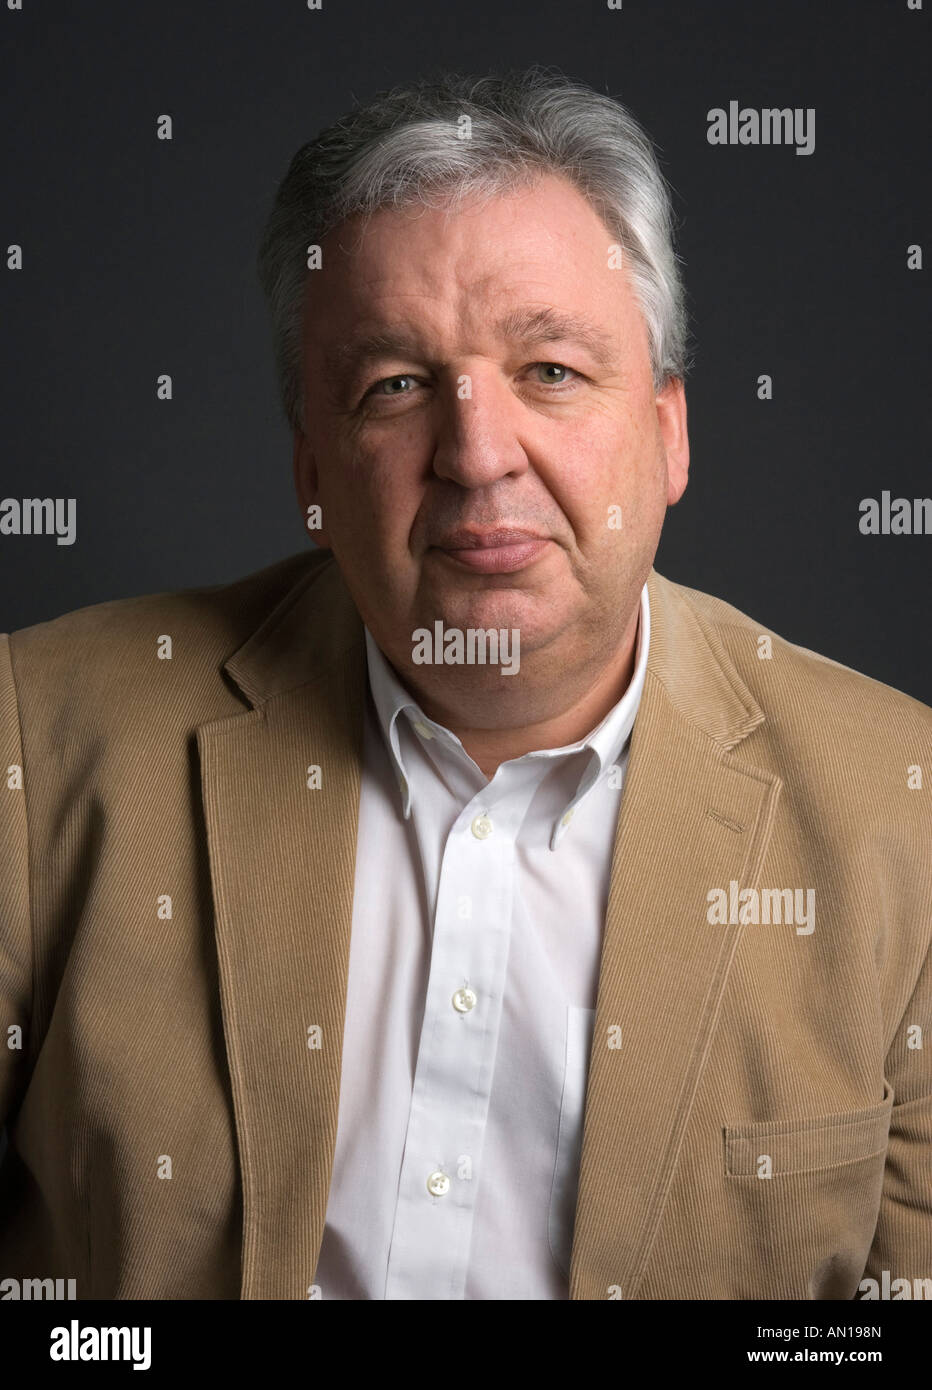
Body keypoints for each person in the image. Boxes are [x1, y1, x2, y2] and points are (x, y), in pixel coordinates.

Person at [1, 67, 929, 1301]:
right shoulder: (40, 737)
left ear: (667, 435)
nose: (478, 455)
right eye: (394, 385)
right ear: (312, 473)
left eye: (549, 369)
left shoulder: (899, 812)